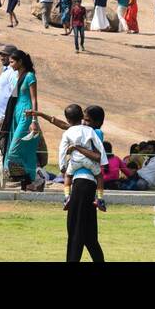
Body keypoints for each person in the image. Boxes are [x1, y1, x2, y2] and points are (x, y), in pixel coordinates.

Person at [53, 102, 106, 262]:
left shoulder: (95, 132)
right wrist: (42, 115)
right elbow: (69, 125)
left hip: (83, 185)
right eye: (83, 119)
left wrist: (76, 149)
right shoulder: (85, 131)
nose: (84, 122)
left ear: (98, 123)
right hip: (86, 186)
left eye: (87, 120)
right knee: (89, 234)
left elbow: (97, 156)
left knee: (74, 228)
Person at [3, 50, 41, 189]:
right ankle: (29, 181)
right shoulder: (14, 77)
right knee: (16, 149)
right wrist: (6, 117)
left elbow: (34, 99)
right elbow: (13, 98)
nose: (10, 64)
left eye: (12, 62)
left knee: (14, 150)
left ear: (20, 62)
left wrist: (34, 120)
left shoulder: (30, 76)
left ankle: (32, 177)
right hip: (15, 114)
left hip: (27, 114)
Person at [0, 45, 18, 190]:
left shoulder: (12, 73)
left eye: (5, 55)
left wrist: (5, 118)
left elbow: (14, 95)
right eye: (1, 54)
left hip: (2, 119)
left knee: (0, 153)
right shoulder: (6, 72)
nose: (2, 57)